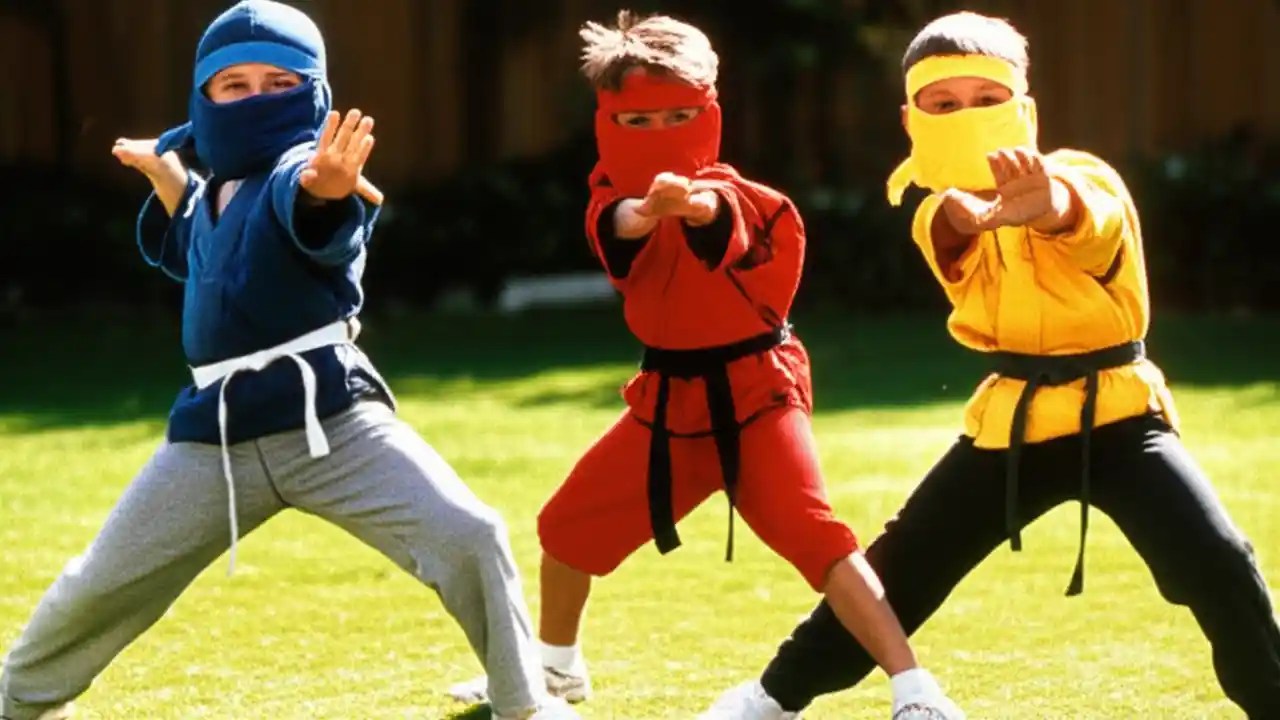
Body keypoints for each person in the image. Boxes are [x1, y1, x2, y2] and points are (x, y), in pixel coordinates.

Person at [0, 3, 575, 719]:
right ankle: (18, 699)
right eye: (233, 85)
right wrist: (165, 176)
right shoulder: (214, 193)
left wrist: (325, 193)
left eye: (280, 81)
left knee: (470, 534)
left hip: (333, 423)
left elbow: (309, 211)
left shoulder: (298, 170)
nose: (258, 98)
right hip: (214, 441)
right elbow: (206, 251)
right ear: (203, 97)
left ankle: (525, 704)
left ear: (314, 93)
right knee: (99, 581)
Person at [701, 11, 1280, 719]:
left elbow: (1086, 219)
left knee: (1219, 560)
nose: (966, 116)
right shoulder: (933, 215)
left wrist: (1048, 207)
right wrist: (971, 215)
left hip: (1124, 420)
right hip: (1013, 425)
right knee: (899, 570)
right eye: (943, 105)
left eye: (987, 100)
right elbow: (950, 231)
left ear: (1024, 110)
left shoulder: (1083, 175)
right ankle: (771, 697)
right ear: (912, 121)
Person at [451, 11, 963, 720]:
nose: (660, 134)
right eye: (639, 120)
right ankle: (555, 667)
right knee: (565, 528)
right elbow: (619, 222)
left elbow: (725, 218)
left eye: (679, 115)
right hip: (668, 401)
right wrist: (649, 210)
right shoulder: (609, 198)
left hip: (759, 394)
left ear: (709, 110)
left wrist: (690, 206)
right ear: (609, 119)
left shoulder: (754, 201)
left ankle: (915, 689)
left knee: (819, 537)